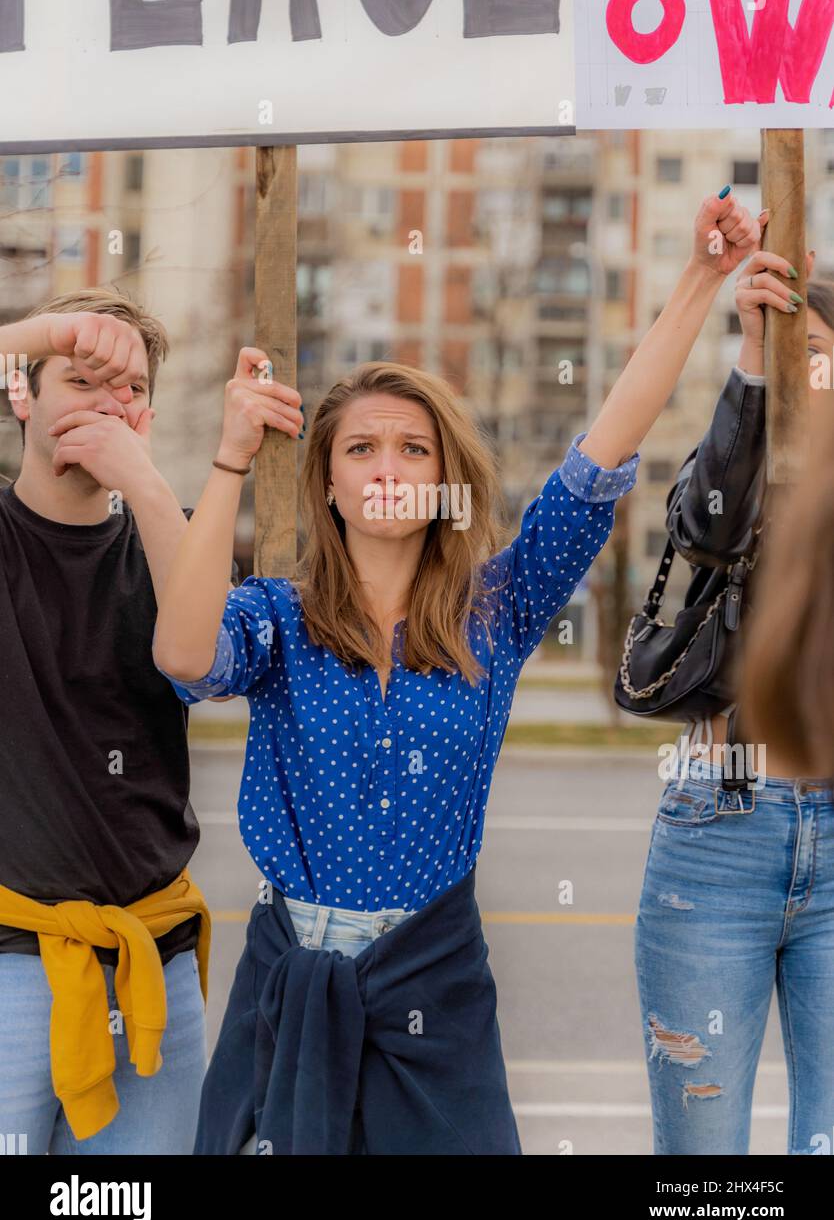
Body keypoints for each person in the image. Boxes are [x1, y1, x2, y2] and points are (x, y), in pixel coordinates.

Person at [152, 192, 763, 1156]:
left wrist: (700, 277)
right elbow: (183, 656)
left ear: (442, 478)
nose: (386, 465)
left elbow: (600, 453)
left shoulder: (500, 610)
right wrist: (227, 462)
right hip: (291, 983)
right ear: (328, 482)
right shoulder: (276, 616)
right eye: (360, 448)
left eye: (412, 446)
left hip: (432, 984)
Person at [632, 230, 834, 1155]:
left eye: (820, 361)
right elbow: (703, 524)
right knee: (707, 1165)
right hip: (723, 822)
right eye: (798, 360)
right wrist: (755, 361)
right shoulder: (744, 473)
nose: (809, 382)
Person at [0, 290, 214, 1155]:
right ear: (22, 393)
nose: (103, 404)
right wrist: (44, 333)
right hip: (13, 961)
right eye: (78, 380)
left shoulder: (174, 541)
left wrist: (150, 488)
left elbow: (207, 666)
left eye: (126, 392)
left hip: (152, 969)